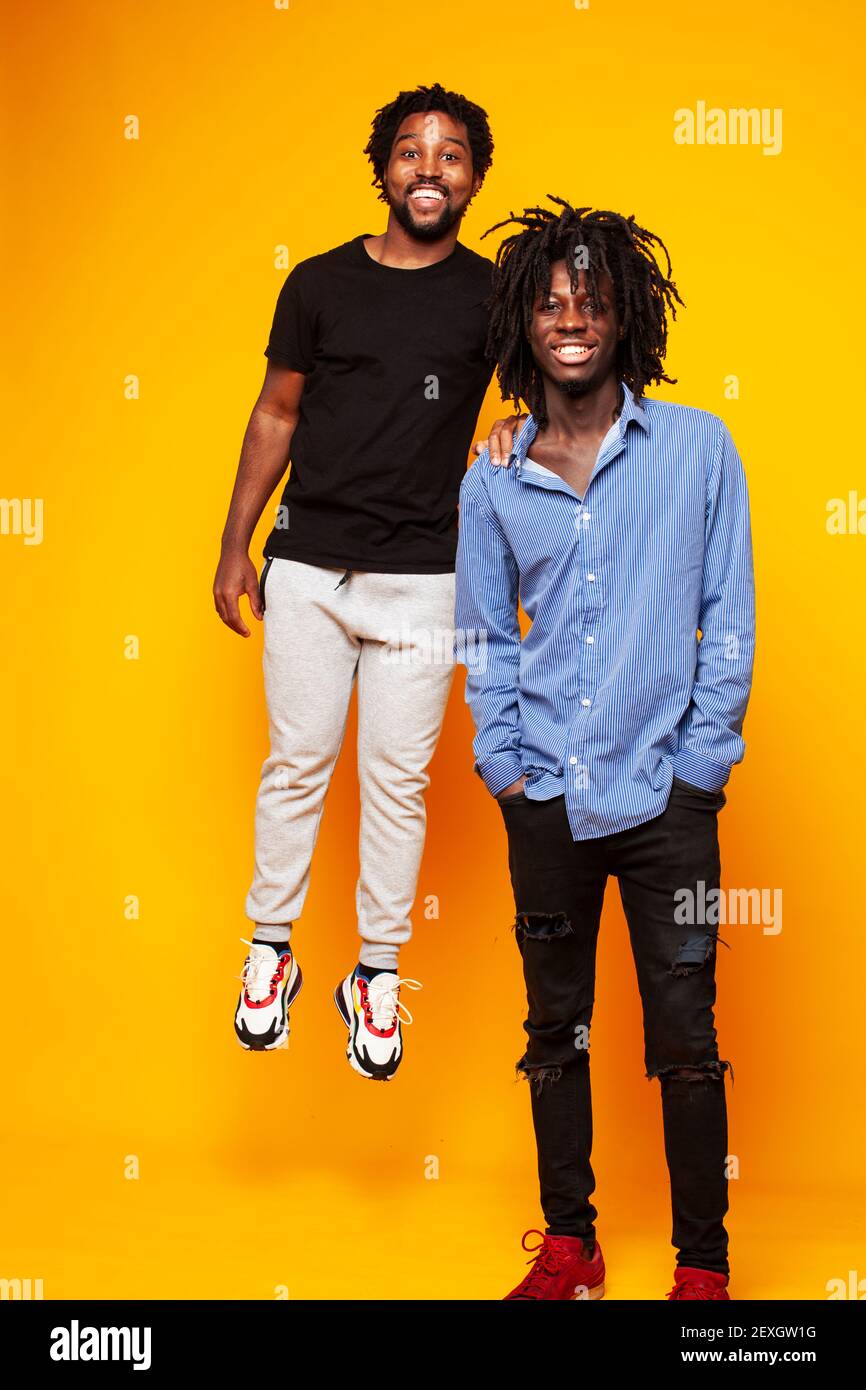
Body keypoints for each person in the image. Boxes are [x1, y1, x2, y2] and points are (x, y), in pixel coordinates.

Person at [454, 197, 755, 1297]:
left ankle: (702, 1263)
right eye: (548, 301)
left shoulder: (696, 448)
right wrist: (504, 766)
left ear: (625, 315)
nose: (569, 319)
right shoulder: (491, 473)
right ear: (522, 324)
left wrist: (700, 766)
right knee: (552, 1030)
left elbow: (725, 616)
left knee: (684, 1028)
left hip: (667, 797)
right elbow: (482, 637)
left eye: (589, 301)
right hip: (545, 792)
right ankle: (570, 1244)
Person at [214, 84, 495, 1080]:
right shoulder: (319, 284)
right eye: (411, 151)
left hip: (424, 582)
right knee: (298, 762)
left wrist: (512, 433)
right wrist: (235, 542)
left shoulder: (490, 295)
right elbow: (275, 413)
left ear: (473, 178)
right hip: (308, 573)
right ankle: (269, 951)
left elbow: (551, 395)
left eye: (451, 154)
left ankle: (373, 973)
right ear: (381, 169)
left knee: (396, 782)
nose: (429, 167)